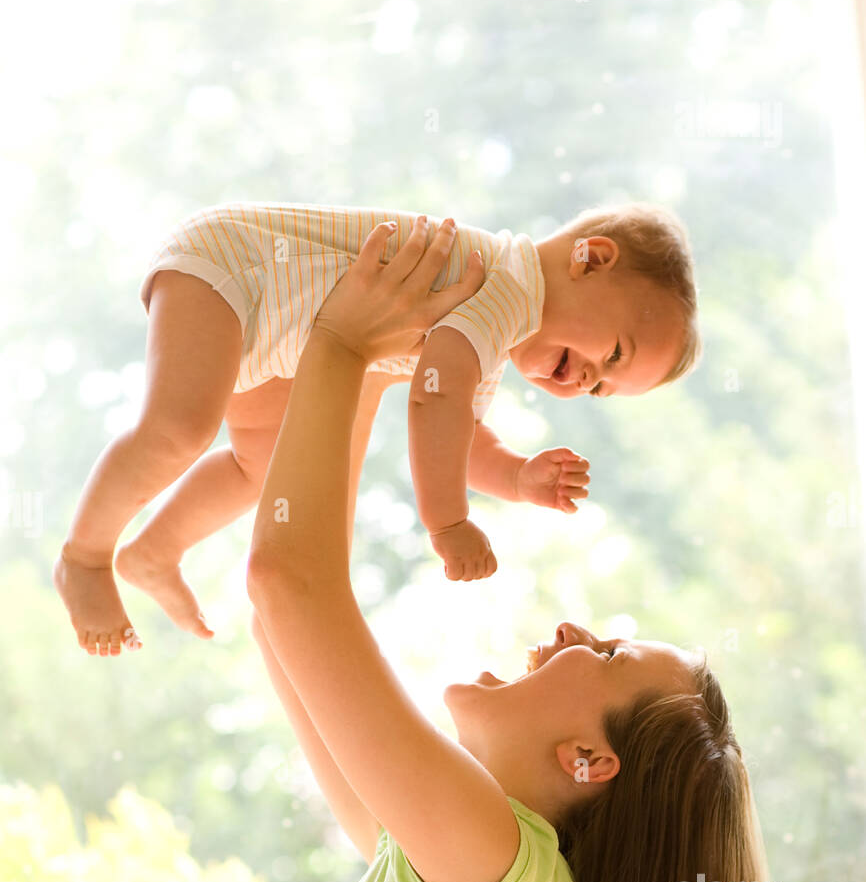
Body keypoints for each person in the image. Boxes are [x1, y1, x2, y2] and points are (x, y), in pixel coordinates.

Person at [246, 217, 774, 882]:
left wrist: (345, 350)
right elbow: (283, 616)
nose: (568, 630)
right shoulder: (472, 878)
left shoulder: (489, 870)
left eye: (606, 651)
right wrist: (353, 364)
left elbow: (287, 586)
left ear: (589, 756)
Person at [54, 198, 699, 655]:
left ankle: (156, 551)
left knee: (260, 467)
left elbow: (467, 437)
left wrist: (518, 478)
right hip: (234, 272)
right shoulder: (507, 287)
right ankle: (84, 557)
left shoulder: (498, 333)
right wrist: (447, 523)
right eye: (611, 354)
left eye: (604, 387)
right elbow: (434, 401)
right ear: (591, 258)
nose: (587, 381)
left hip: (273, 334)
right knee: (178, 429)